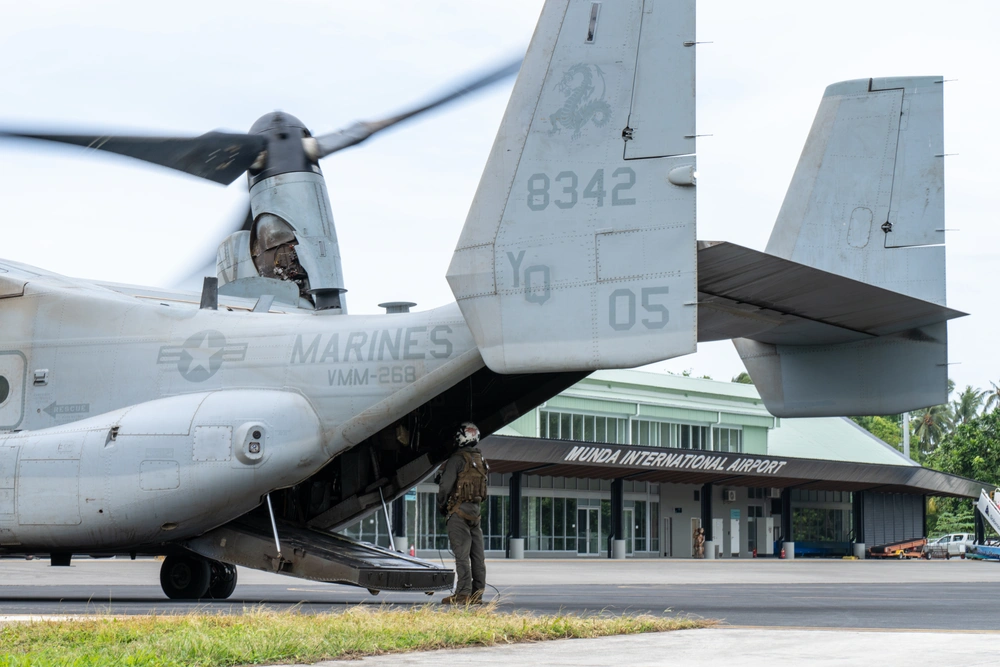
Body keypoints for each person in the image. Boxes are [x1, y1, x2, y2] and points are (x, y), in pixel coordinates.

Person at [437, 422, 488, 604]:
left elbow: (445, 487)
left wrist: (442, 506)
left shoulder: (457, 459)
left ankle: (462, 594)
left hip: (458, 512)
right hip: (475, 513)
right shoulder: (480, 460)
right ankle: (477, 595)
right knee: (477, 556)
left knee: (462, 555)